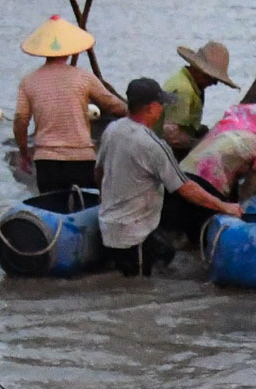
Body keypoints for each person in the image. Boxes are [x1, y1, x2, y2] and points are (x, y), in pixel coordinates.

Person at [97, 77, 242, 275]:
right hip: (134, 236)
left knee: (159, 256)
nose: (163, 109)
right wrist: (224, 206)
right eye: (160, 105)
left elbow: (99, 172)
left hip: (107, 227)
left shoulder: (111, 130)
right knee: (138, 290)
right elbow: (187, 189)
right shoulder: (153, 145)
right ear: (150, 108)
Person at [13, 14, 125, 195]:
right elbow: (111, 104)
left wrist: (24, 153)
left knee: (52, 205)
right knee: (83, 206)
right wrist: (133, 112)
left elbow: (20, 120)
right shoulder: (84, 77)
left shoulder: (29, 81)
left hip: (46, 161)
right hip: (81, 158)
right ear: (69, 50)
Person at [160, 40, 238, 153]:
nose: (214, 83)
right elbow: (172, 136)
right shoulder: (183, 89)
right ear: (199, 71)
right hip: (166, 149)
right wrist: (202, 145)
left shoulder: (190, 84)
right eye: (212, 78)